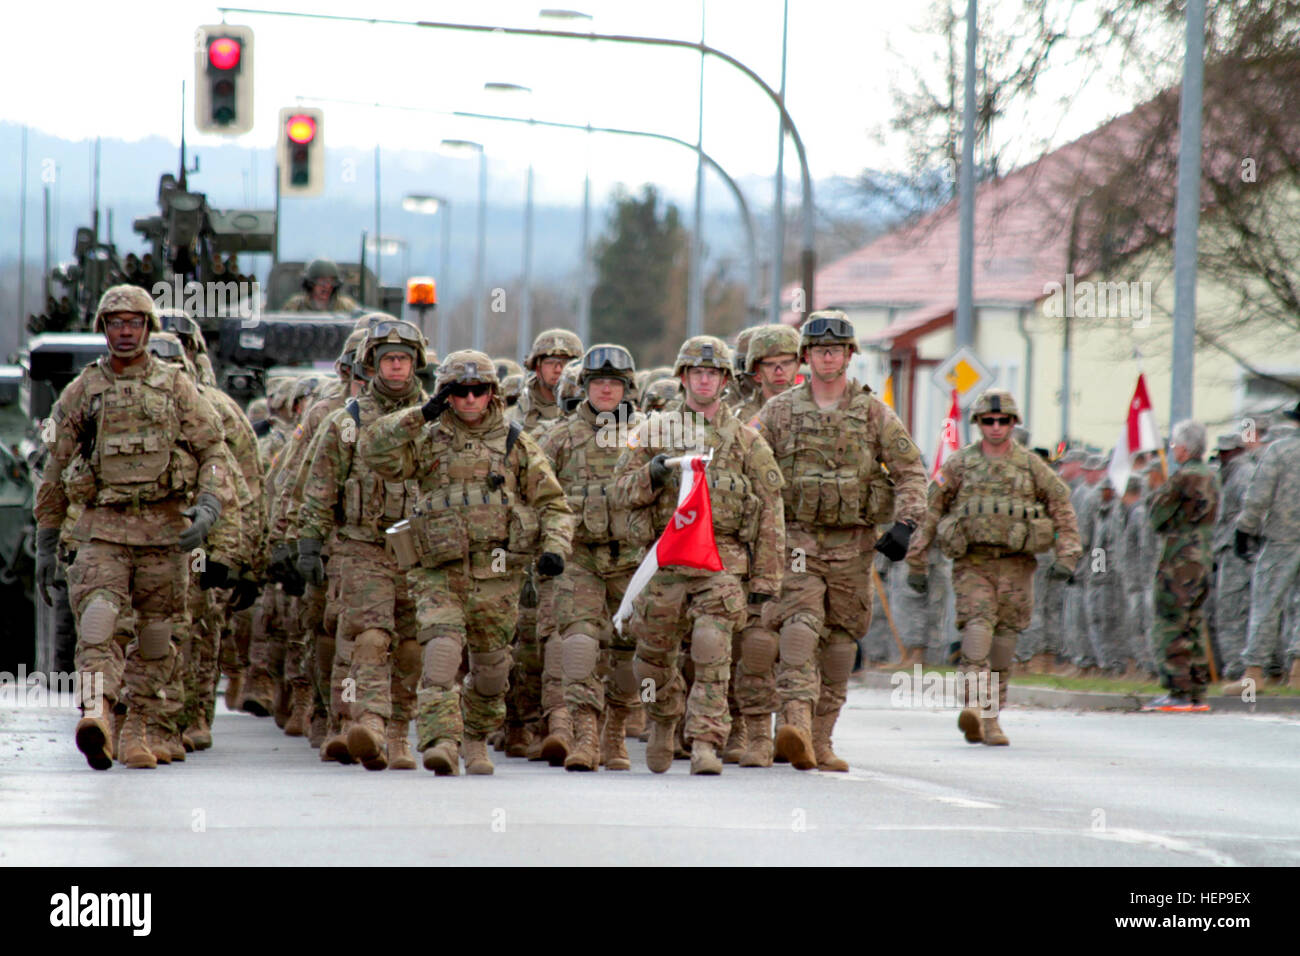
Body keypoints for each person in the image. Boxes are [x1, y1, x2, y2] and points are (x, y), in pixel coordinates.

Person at [33, 285, 232, 770]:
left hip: (165, 534)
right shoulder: (82, 391)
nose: (125, 331)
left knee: (156, 638)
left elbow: (214, 450)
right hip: (103, 530)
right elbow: (53, 466)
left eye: (134, 322)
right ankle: (96, 710)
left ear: (148, 328)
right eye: (116, 322)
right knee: (99, 625)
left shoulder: (177, 386)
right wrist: (46, 539)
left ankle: (138, 725)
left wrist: (208, 506)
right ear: (104, 329)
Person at [359, 351, 571, 775]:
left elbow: (554, 504)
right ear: (447, 395)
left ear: (492, 394)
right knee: (440, 651)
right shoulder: (426, 439)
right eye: (460, 391)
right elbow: (373, 452)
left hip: (496, 573)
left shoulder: (515, 443)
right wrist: (418, 416)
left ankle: (475, 738)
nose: (471, 399)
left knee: (492, 670)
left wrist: (555, 548)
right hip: (438, 570)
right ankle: (442, 741)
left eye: (479, 390)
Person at [752, 312, 927, 770]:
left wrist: (906, 525)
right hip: (797, 543)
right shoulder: (779, 411)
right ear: (805, 357)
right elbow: (744, 463)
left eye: (836, 348)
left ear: (849, 356)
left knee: (841, 643)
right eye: (818, 349)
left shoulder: (873, 413)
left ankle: (821, 738)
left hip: (853, 547)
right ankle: (793, 723)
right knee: (798, 628)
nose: (827, 355)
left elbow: (910, 471)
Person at [613, 335, 785, 774]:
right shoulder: (651, 433)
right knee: (652, 660)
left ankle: (706, 740)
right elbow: (619, 494)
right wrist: (649, 476)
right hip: (666, 562)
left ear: (725, 380)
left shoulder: (748, 442)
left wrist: (766, 583)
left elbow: (770, 513)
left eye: (712, 373)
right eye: (696, 372)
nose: (704, 379)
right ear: (683, 378)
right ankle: (662, 722)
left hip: (721, 564)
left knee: (712, 648)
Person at [905, 388, 1080, 745]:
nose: (996, 427)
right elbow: (931, 509)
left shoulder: (1031, 466)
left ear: (1013, 424)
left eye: (1003, 421)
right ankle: (974, 709)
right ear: (978, 424)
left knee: (1003, 645)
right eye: (989, 421)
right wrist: (916, 560)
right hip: (974, 564)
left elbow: (1061, 505)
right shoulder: (959, 464)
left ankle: (992, 717)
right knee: (976, 631)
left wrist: (1069, 554)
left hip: (1017, 568)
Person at [296, 320, 431, 770]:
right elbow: (319, 488)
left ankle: (398, 734)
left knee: (412, 647)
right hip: (361, 546)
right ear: (372, 364)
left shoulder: (436, 422)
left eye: (404, 359)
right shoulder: (346, 423)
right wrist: (308, 545)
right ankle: (368, 721)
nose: (396, 367)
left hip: (418, 550)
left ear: (415, 364)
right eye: (388, 359)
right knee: (371, 637)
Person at [536, 344, 651, 771]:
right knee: (581, 644)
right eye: (598, 382)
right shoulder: (560, 437)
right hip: (579, 557)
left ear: (627, 388)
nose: (606, 390)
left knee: (627, 652)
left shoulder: (649, 434)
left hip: (633, 560)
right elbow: (537, 494)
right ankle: (584, 736)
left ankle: (615, 733)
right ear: (584, 386)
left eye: (614, 383)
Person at [1141, 420, 1218, 710]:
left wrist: (1158, 492)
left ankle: (1178, 690)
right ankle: (1197, 691)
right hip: (1202, 558)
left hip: (1179, 560)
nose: (1173, 451)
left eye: (1174, 445)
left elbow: (1156, 516)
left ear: (1185, 448)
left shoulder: (1182, 477)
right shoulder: (1211, 476)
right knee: (1194, 622)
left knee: (1172, 623)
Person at [1227, 402, 1300, 694]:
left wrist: (1245, 528)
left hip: (1282, 536)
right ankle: (1297, 671)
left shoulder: (1280, 451)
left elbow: (1259, 496)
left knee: (1266, 604)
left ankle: (1254, 672)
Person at [282, 258, 359, 313]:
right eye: (322, 281)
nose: (327, 286)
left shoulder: (345, 305)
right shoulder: (296, 305)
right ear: (310, 284)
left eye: (331, 281)